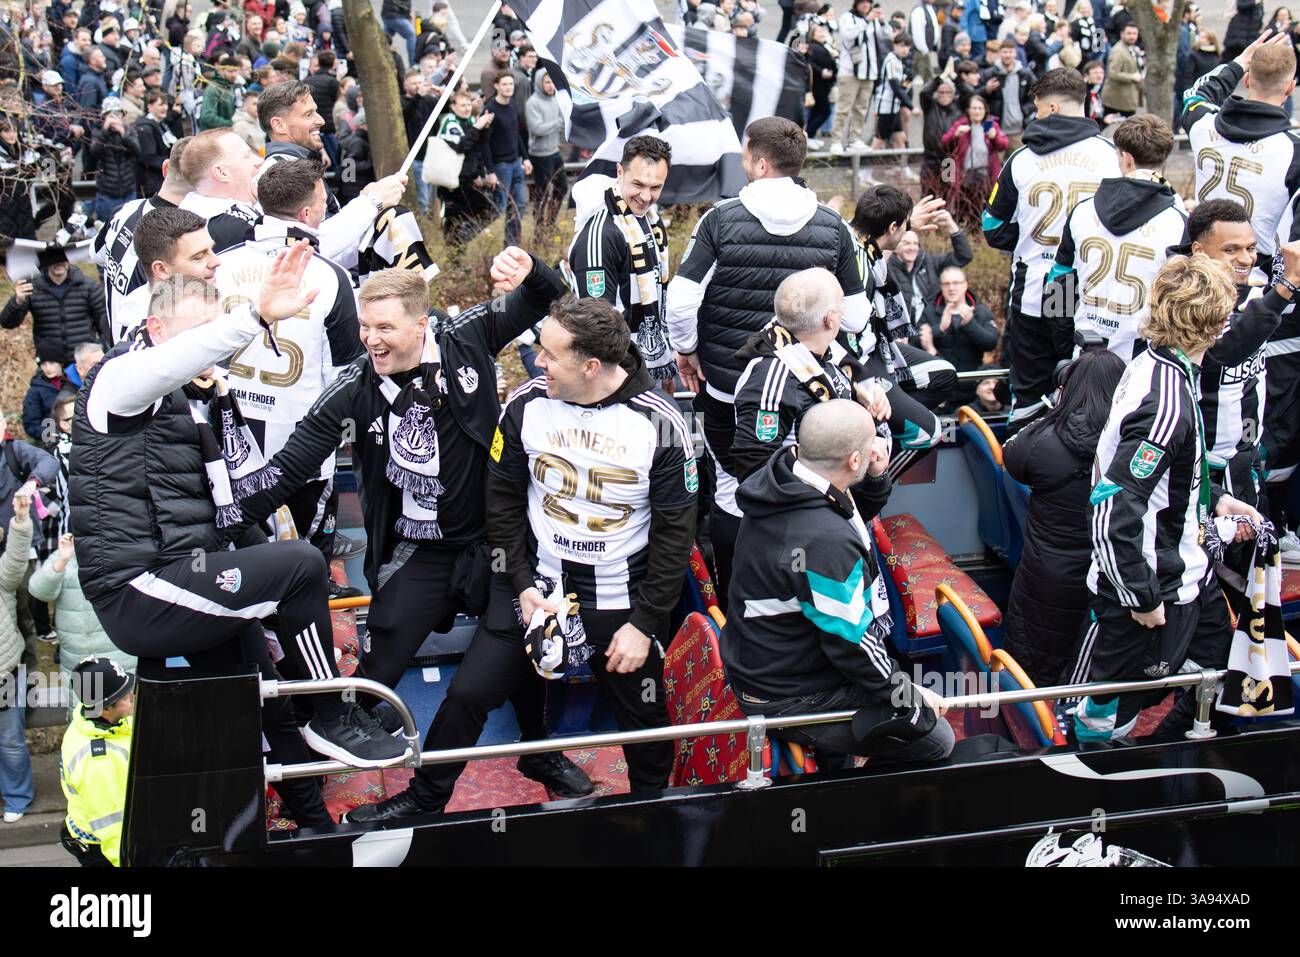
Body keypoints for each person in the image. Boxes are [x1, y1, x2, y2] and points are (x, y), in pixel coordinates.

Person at [224, 256, 594, 822]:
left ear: (421, 325)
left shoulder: (468, 335)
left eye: (385, 328)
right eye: (366, 327)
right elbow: (288, 468)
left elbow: (554, 297)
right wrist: (219, 523)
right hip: (417, 549)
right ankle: (316, 780)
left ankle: (535, 755)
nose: (372, 340)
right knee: (375, 673)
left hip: (497, 545)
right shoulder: (352, 387)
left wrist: (531, 266)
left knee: (517, 655)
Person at [70, 254, 407, 774]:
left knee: (263, 696)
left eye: (213, 328)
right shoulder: (119, 380)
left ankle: (311, 829)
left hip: (184, 571)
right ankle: (330, 711)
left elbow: (227, 506)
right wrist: (252, 318)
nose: (206, 348)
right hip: (137, 589)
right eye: (195, 334)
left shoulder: (198, 402)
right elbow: (169, 363)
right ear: (156, 328)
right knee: (301, 565)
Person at [483, 297, 697, 802]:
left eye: (550, 354)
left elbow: (675, 536)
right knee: (487, 686)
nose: (538, 361)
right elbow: (501, 499)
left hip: (621, 596)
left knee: (641, 710)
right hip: (540, 584)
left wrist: (644, 625)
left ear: (591, 365)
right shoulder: (526, 402)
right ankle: (534, 750)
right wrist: (519, 581)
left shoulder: (662, 422)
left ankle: (649, 807)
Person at [665, 117, 869, 600]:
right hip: (812, 391)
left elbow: (679, 302)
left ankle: (737, 602)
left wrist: (689, 351)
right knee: (811, 490)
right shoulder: (833, 225)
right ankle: (806, 599)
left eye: (744, 156)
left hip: (730, 386)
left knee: (733, 495)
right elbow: (858, 316)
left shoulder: (719, 218)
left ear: (759, 162)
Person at [1074, 255, 1265, 743]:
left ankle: (1166, 759)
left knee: (1224, 675)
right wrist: (1139, 595)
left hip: (1190, 578)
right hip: (1147, 593)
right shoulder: (1166, 400)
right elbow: (1112, 505)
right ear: (1218, 324)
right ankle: (1100, 805)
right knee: (1104, 722)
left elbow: (1176, 471)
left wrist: (1216, 499)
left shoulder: (1156, 362)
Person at [721, 400, 953, 766]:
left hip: (766, 659)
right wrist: (910, 697)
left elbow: (846, 507)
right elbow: (850, 643)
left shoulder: (785, 478)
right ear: (853, 461)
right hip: (787, 694)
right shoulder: (823, 541)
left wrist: (874, 476)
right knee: (937, 740)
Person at [213, 159, 363, 596]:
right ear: (307, 214)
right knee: (308, 557)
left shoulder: (219, 264)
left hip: (231, 437)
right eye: (322, 201)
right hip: (300, 443)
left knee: (245, 550)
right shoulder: (329, 277)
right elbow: (345, 374)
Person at [983, 68, 1120, 428]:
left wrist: (1028, 239)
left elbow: (992, 227)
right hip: (1090, 294)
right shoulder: (1113, 156)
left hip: (1035, 287)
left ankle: (1024, 470)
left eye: (1040, 110)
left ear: (1054, 108)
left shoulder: (1022, 159)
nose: (1036, 118)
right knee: (1088, 391)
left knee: (1029, 395)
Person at [1003, 349, 1126, 688]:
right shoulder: (1129, 444)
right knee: (1083, 664)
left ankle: (1030, 724)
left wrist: (1055, 408)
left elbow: (1010, 454)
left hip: (1043, 574)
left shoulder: (1045, 438)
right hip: (1100, 577)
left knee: (1030, 662)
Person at [1046, 113, 1186, 363]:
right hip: (1145, 358)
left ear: (1126, 158)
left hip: (1085, 350)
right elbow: (1182, 298)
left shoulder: (1082, 210)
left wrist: (1063, 339)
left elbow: (1058, 281)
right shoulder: (1178, 220)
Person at [730, 268, 891, 481]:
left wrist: (864, 398)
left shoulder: (826, 352)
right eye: (841, 302)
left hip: (841, 501)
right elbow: (754, 472)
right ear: (830, 320)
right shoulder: (772, 377)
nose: (844, 309)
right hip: (806, 508)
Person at [847, 185, 956, 469]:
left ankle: (880, 423)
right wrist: (866, 385)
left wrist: (910, 223)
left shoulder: (857, 236)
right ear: (893, 227)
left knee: (944, 375)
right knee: (930, 433)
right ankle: (874, 475)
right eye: (904, 225)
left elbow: (880, 251)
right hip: (858, 360)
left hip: (876, 346)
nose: (909, 231)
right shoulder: (856, 263)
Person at [1183, 29, 1299, 265]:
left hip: (1199, 266)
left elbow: (1195, 94)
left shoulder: (1203, 125)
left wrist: (1238, 63)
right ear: (1289, 89)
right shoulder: (1293, 152)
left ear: (1246, 80)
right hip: (1256, 278)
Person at [566, 136, 675, 383]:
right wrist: (630, 380)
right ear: (619, 172)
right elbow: (596, 321)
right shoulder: (602, 232)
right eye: (638, 184)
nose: (646, 197)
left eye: (656, 187)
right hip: (618, 373)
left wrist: (661, 362)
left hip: (647, 363)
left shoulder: (651, 220)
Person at [58, 656, 133, 864]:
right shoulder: (98, 761)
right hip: (104, 848)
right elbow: (112, 827)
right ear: (105, 709)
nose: (132, 697)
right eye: (125, 697)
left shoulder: (91, 718)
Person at [1, 249, 108, 366]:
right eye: (53, 259)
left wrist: (99, 353)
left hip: (82, 363)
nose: (59, 263)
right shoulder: (33, 288)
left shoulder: (88, 286)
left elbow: (104, 325)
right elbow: (7, 323)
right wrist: (17, 301)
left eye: (62, 259)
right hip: (50, 363)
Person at [0, 491, 36, 825]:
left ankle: (17, 797)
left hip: (6, 672)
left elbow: (15, 559)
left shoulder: (2, 577)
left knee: (11, 742)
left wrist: (21, 520)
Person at [917, 266, 1000, 405]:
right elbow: (916, 343)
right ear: (941, 287)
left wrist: (970, 323)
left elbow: (991, 343)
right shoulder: (930, 311)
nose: (951, 288)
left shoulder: (980, 311)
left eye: (956, 283)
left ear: (965, 285)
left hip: (972, 391)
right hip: (940, 392)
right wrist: (940, 329)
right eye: (947, 284)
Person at [887, 213, 973, 335]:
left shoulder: (929, 262)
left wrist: (951, 226)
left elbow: (964, 256)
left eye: (915, 244)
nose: (912, 248)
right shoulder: (886, 268)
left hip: (934, 331)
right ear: (895, 247)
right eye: (906, 243)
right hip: (902, 336)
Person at [434, 90, 497, 243]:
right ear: (453, 107)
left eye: (469, 104)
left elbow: (478, 147)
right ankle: (459, 244)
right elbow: (461, 147)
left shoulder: (469, 121)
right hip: (452, 181)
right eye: (462, 105)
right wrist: (477, 127)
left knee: (456, 220)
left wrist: (485, 127)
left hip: (465, 178)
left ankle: (456, 251)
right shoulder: (450, 122)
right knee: (488, 210)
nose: (467, 108)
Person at [940, 94, 1009, 227]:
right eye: (974, 108)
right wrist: (956, 135)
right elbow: (944, 143)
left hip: (985, 175)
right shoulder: (962, 124)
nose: (977, 111)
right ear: (969, 110)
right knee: (964, 207)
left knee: (984, 207)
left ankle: (981, 233)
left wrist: (995, 137)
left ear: (985, 110)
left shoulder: (989, 124)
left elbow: (1003, 145)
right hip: (964, 174)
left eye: (980, 108)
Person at [832, 0, 891, 152]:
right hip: (850, 71)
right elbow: (848, 35)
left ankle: (854, 139)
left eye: (868, 2)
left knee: (861, 109)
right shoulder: (848, 17)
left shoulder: (873, 19)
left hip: (869, 71)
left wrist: (882, 20)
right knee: (843, 108)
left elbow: (887, 35)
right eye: (862, 2)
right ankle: (836, 141)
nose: (865, 5)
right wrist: (866, 20)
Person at [481, 72, 531, 247]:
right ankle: (465, 232)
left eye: (511, 84)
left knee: (519, 205)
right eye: (505, 84)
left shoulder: (513, 105)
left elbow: (516, 135)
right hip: (500, 165)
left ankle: (512, 245)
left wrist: (525, 158)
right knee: (498, 208)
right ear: (496, 86)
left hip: (515, 163)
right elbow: (484, 142)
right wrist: (490, 171)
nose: (508, 87)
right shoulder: (490, 109)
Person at [87, 97, 141, 224]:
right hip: (107, 192)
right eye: (110, 114)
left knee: (130, 226)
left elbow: (137, 151)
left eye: (117, 113)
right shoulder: (98, 132)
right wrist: (105, 131)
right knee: (106, 227)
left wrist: (123, 134)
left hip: (128, 190)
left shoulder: (129, 130)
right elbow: (94, 152)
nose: (114, 117)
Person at [525, 69, 567, 229]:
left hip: (554, 152)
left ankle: (550, 223)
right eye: (547, 82)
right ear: (539, 83)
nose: (550, 86)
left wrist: (560, 125)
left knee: (562, 188)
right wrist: (558, 122)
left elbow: (560, 124)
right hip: (540, 155)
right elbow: (538, 129)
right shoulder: (533, 102)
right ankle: (539, 229)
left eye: (552, 82)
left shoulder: (555, 99)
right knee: (541, 195)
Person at [986, 38, 1035, 153]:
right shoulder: (990, 73)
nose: (1007, 55)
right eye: (1004, 52)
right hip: (995, 129)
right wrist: (986, 89)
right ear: (999, 53)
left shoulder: (1025, 74)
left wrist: (1025, 111)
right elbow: (979, 99)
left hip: (1018, 128)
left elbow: (1037, 93)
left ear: (1015, 53)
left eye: (1010, 52)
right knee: (993, 167)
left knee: (1019, 164)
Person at [918, 74, 962, 197]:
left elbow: (969, 93)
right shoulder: (930, 106)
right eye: (941, 92)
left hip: (949, 158)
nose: (944, 95)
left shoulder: (958, 107)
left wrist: (957, 79)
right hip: (931, 157)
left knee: (947, 192)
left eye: (948, 92)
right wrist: (938, 79)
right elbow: (924, 93)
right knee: (928, 191)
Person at [871, 31, 913, 150]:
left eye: (907, 47)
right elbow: (895, 85)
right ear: (894, 45)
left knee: (900, 137)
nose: (905, 50)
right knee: (879, 139)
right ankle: (864, 165)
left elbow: (902, 84)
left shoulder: (899, 61)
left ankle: (903, 166)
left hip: (893, 106)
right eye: (902, 46)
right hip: (886, 106)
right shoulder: (892, 61)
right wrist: (910, 106)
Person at [1101, 22, 1144, 119]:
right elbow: (1112, 73)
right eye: (1129, 33)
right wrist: (1132, 77)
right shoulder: (1118, 51)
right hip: (1116, 102)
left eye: (1134, 34)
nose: (1132, 36)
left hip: (1127, 100)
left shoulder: (1132, 48)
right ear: (1122, 34)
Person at [231, 88, 265, 154]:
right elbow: (237, 151)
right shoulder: (240, 126)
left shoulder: (257, 120)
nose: (258, 107)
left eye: (259, 104)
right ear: (245, 106)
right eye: (254, 104)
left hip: (262, 159)